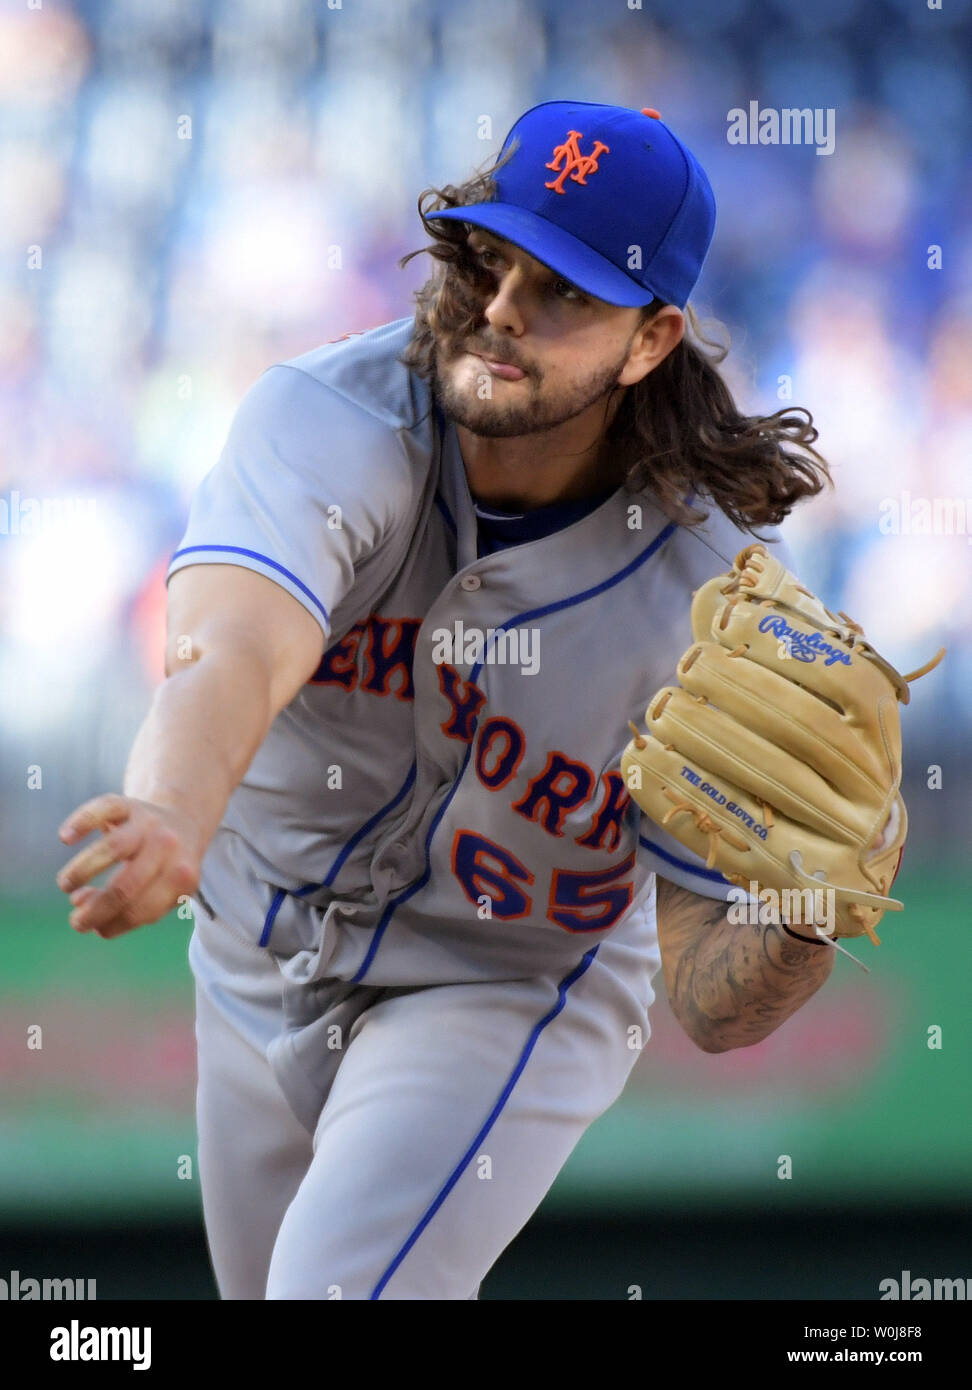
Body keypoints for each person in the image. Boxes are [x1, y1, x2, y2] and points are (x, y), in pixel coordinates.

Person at [56, 101, 834, 1300]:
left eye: (565, 287)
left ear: (651, 339)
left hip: (501, 980)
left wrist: (812, 898)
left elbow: (714, 1005)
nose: (504, 308)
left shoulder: (712, 602)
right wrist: (169, 808)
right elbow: (230, 653)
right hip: (258, 945)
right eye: (488, 257)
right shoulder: (333, 415)